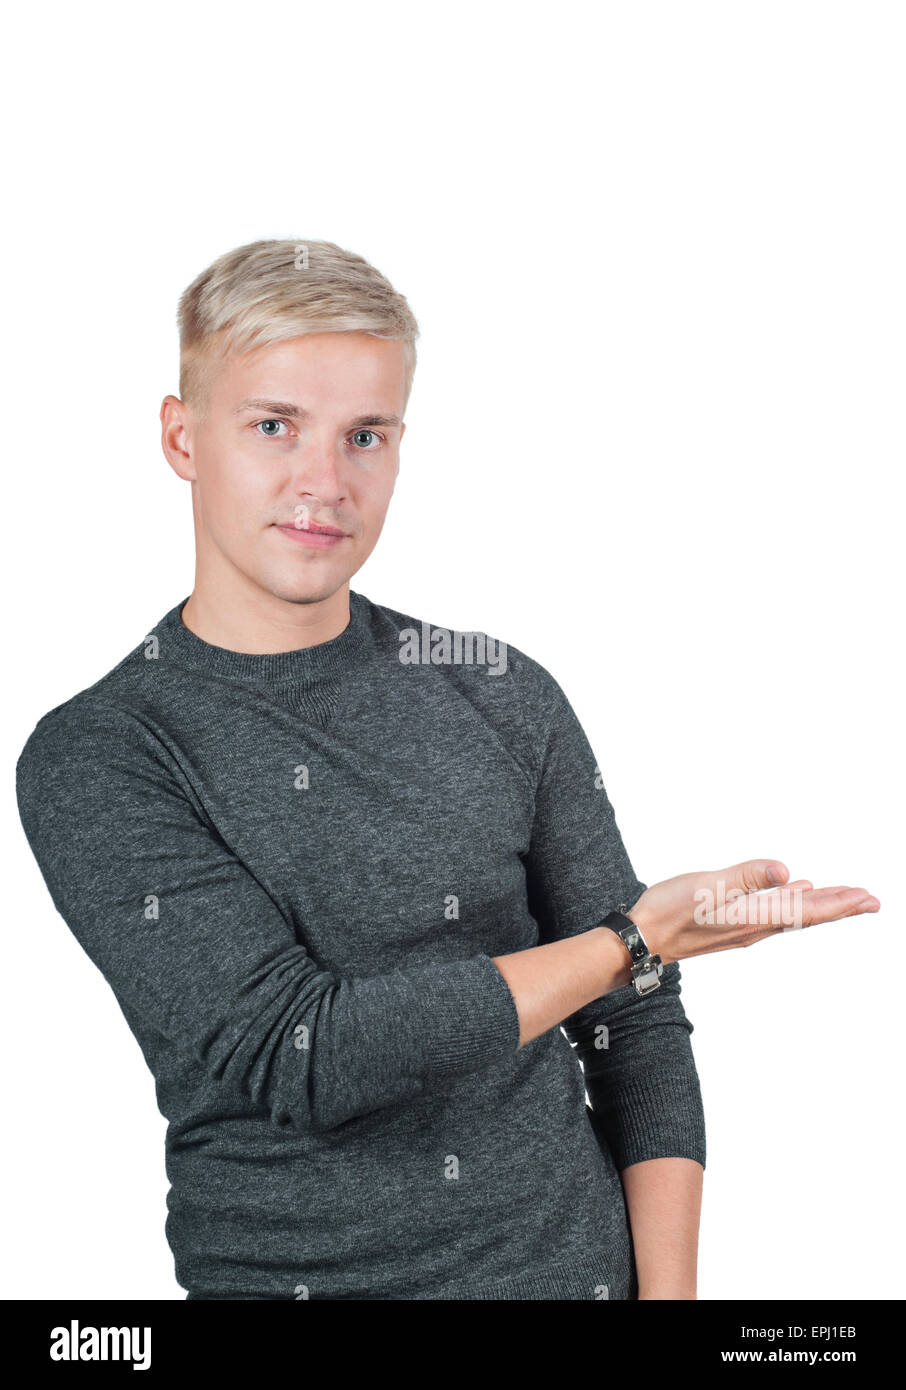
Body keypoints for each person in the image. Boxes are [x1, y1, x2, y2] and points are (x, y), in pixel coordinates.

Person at [15, 238, 880, 1301]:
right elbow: (302, 1053)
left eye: (365, 435)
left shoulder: (494, 685)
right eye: (274, 425)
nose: (324, 483)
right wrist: (629, 941)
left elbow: (636, 1019)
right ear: (182, 436)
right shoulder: (103, 752)